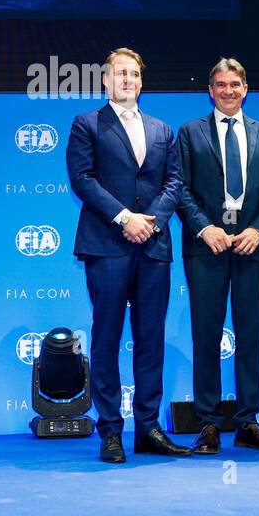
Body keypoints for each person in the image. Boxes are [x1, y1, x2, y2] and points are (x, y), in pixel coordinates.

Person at [65, 48, 189, 463]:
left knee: (151, 338)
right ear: (105, 80)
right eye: (121, 74)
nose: (128, 80)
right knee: (106, 337)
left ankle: (149, 428)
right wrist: (124, 218)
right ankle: (111, 431)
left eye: (135, 74)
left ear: (142, 80)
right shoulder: (87, 124)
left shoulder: (161, 129)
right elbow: (82, 180)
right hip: (107, 244)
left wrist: (149, 220)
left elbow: (174, 181)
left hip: (153, 245)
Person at [175, 58, 259, 455]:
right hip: (206, 246)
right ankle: (207, 421)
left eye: (234, 84)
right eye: (220, 84)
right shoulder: (189, 133)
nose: (228, 91)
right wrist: (206, 228)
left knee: (251, 334)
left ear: (245, 88)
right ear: (210, 90)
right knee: (206, 334)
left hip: (252, 245)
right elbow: (181, 189)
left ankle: (247, 421)